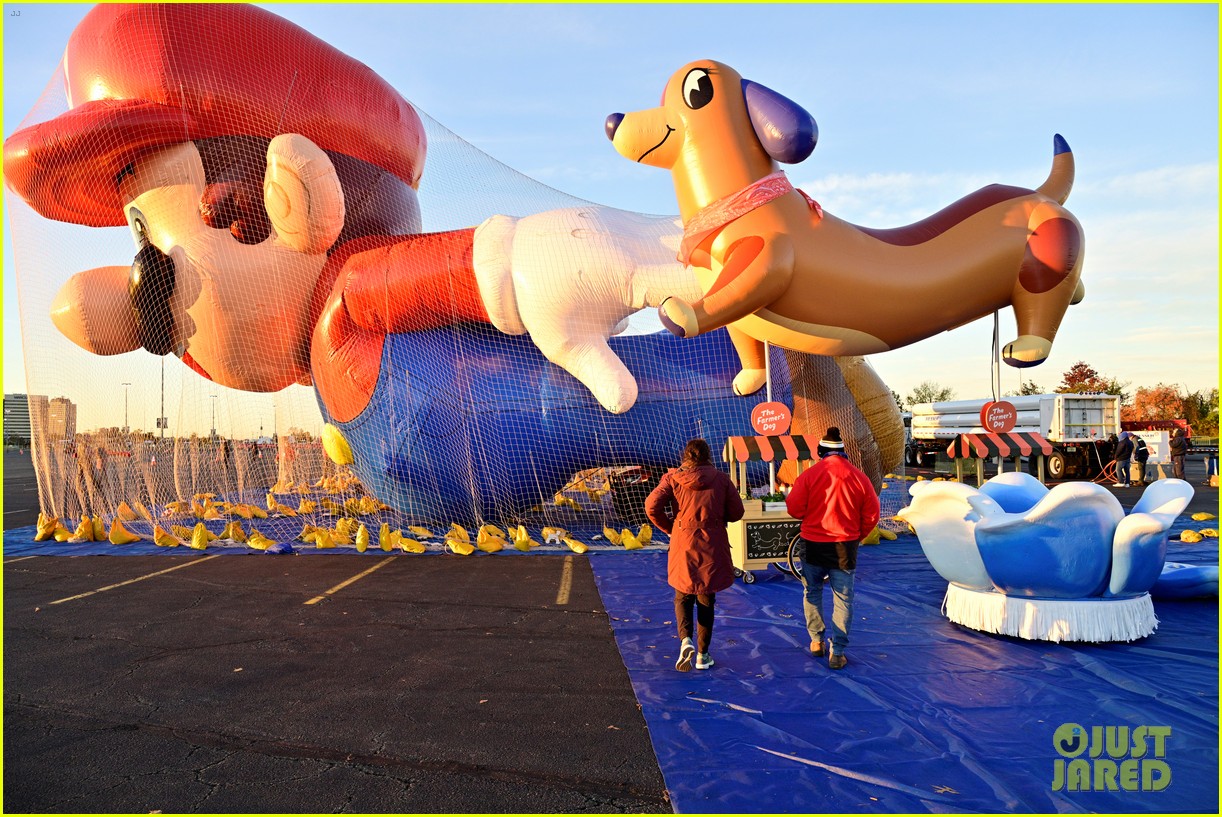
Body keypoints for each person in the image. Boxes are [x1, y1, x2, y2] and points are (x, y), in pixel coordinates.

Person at [645, 438, 745, 672]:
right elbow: (737, 512)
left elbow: (651, 506)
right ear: (708, 455)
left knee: (682, 595)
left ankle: (685, 640)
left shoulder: (672, 479)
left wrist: (671, 527)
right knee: (706, 599)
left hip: (684, 542)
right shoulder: (721, 479)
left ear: (686, 456)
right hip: (712, 544)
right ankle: (703, 654)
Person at [785, 427, 880, 670]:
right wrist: (857, 537)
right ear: (843, 453)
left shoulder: (809, 475)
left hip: (813, 544)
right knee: (843, 599)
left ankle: (816, 641)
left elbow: (794, 509)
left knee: (812, 591)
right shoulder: (859, 477)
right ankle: (837, 651)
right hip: (844, 546)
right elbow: (872, 514)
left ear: (821, 452)